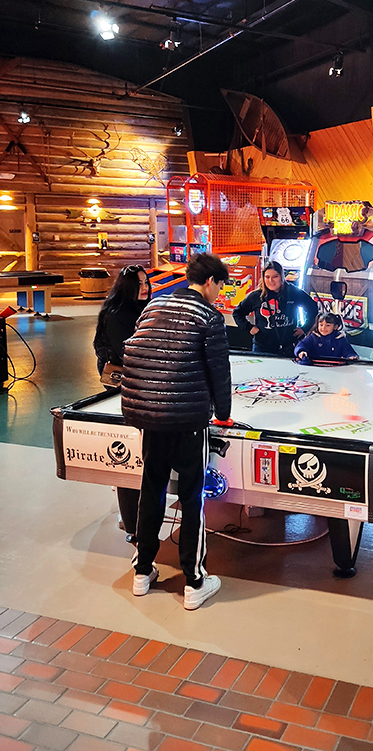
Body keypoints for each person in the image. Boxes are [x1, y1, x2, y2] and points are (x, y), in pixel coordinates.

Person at [121, 253, 232, 610]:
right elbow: (219, 370)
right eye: (220, 285)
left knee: (151, 491)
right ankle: (194, 580)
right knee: (191, 497)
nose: (219, 293)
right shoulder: (208, 315)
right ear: (211, 282)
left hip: (148, 415)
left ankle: (142, 571)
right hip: (187, 420)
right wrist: (225, 414)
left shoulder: (155, 305)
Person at [93, 264, 151, 541]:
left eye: (146, 282)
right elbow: (125, 351)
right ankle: (126, 502)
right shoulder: (117, 314)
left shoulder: (144, 308)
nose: (145, 288)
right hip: (119, 380)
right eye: (139, 284)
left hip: (138, 379)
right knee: (127, 441)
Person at [233, 260, 318, 356]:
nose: (271, 281)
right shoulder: (257, 296)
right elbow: (237, 313)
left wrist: (305, 328)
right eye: (267, 277)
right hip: (263, 347)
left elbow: (312, 307)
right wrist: (248, 327)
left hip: (289, 346)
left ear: (281, 277)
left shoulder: (293, 292)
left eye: (275, 277)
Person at [294, 312, 359, 364]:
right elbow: (301, 345)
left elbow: (348, 351)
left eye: (328, 325)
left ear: (335, 327)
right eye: (321, 325)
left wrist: (351, 357)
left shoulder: (340, 339)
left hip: (335, 370)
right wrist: (301, 351)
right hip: (314, 368)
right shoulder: (313, 337)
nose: (323, 328)